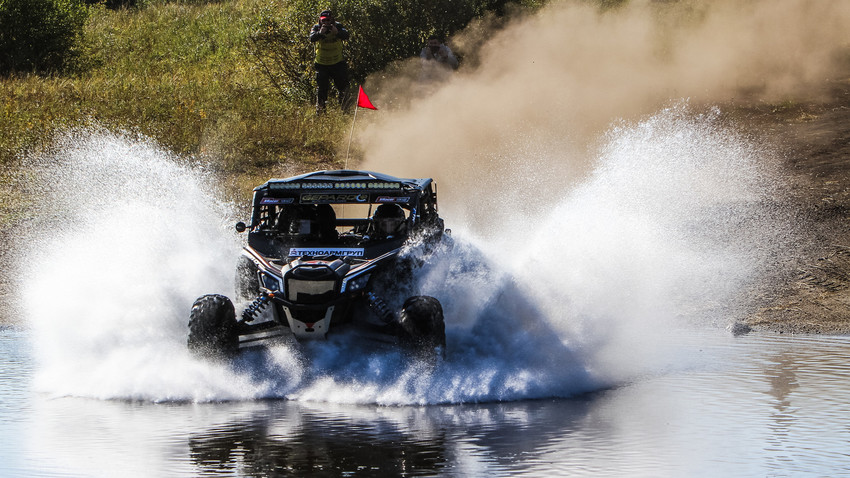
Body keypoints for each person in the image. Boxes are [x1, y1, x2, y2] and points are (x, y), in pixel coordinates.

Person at [309, 10, 350, 114]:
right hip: (322, 64)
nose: (326, 22)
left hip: (337, 63)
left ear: (332, 19)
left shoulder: (338, 26)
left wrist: (337, 32)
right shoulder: (316, 27)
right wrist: (320, 33)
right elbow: (311, 38)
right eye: (324, 20)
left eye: (328, 20)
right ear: (320, 20)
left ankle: (346, 110)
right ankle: (321, 112)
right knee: (322, 90)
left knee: (343, 87)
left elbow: (346, 35)